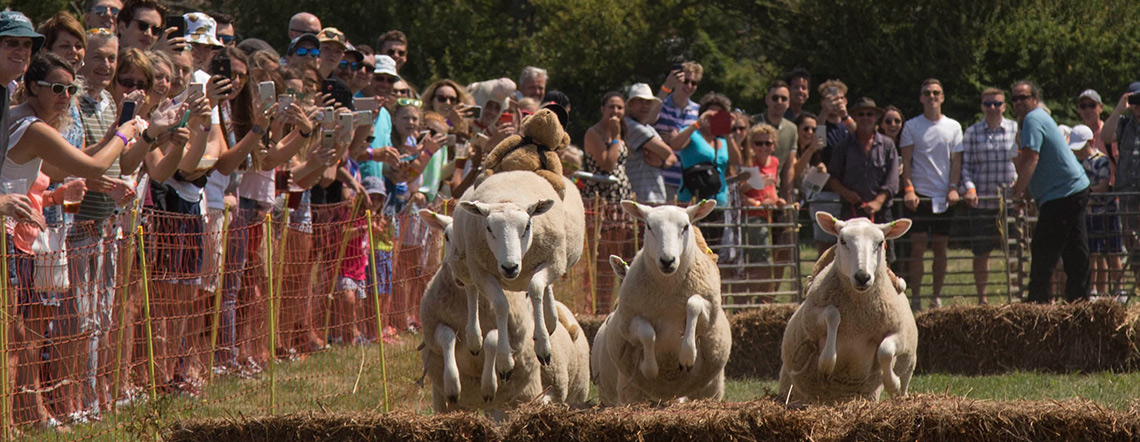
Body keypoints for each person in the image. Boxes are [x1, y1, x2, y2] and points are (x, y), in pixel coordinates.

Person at [1010, 79, 1091, 303]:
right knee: (1075, 249)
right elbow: (1037, 164)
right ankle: (1079, 302)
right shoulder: (1039, 119)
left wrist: (1016, 193)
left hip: (1062, 193)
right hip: (1072, 189)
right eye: (1014, 99)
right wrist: (1024, 192)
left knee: (1044, 248)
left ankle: (1038, 302)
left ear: (1035, 99)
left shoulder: (1033, 119)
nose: (1018, 102)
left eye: (1023, 97)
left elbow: (1031, 158)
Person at [900, 78, 963, 310]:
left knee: (940, 247)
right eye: (927, 93)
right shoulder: (911, 126)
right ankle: (915, 297)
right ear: (921, 98)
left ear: (943, 97)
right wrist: (908, 189)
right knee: (917, 248)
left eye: (936, 92)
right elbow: (905, 160)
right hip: (919, 195)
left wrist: (953, 187)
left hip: (943, 197)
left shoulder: (954, 126)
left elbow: (956, 161)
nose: (932, 97)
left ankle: (936, 297)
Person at [957, 87, 1018, 304]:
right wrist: (969, 189)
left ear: (1004, 106)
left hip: (1010, 200)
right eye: (988, 104)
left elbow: (1024, 160)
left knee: (1013, 252)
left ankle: (1016, 296)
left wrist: (1020, 184)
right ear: (982, 106)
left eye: (997, 104)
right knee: (981, 253)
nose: (992, 108)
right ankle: (982, 300)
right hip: (981, 202)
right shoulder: (972, 132)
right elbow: (966, 167)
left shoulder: (1015, 128)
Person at [669, 92, 742, 258]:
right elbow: (675, 144)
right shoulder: (692, 135)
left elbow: (737, 160)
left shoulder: (723, 141)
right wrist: (696, 124)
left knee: (712, 250)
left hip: (718, 201)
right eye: (710, 115)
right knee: (688, 249)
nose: (713, 119)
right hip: (690, 199)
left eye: (718, 115)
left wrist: (728, 131)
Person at [1071, 124, 1124, 300]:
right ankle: (1092, 290)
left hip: (1105, 212)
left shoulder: (1101, 160)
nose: (1078, 151)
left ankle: (1119, 290)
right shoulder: (1074, 162)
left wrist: (1083, 194)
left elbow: (1102, 186)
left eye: (1082, 147)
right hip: (1087, 214)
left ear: (1091, 142)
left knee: (1112, 252)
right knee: (1091, 253)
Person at [827, 98, 899, 223]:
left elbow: (892, 179)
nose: (865, 118)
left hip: (881, 212)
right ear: (854, 117)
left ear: (876, 117)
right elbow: (832, 178)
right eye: (861, 114)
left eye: (869, 114)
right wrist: (846, 193)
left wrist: (878, 201)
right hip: (851, 211)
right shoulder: (843, 146)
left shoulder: (888, 145)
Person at [739, 123, 786, 295]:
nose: (763, 147)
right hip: (754, 217)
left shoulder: (774, 162)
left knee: (773, 261)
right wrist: (758, 199)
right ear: (752, 145)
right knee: (761, 264)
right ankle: (752, 302)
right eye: (758, 143)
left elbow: (772, 189)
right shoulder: (749, 163)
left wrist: (777, 200)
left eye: (767, 143)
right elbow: (740, 191)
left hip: (771, 216)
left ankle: (763, 302)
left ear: (774, 145)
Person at [1101, 82, 1140, 280]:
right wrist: (1118, 109)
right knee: (1131, 242)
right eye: (1134, 100)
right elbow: (1106, 135)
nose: (1137, 105)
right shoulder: (1124, 123)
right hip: (1126, 192)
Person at [623, 83, 675, 204]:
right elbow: (666, 152)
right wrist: (662, 156)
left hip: (653, 194)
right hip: (639, 195)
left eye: (648, 102)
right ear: (630, 105)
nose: (645, 106)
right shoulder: (630, 126)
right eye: (640, 101)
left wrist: (661, 162)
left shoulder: (648, 128)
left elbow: (672, 157)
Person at [583, 91, 633, 203]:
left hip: (621, 193)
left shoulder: (621, 131)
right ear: (602, 109)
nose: (615, 111)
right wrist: (615, 136)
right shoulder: (593, 133)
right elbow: (608, 165)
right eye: (611, 107)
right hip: (602, 195)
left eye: (619, 108)